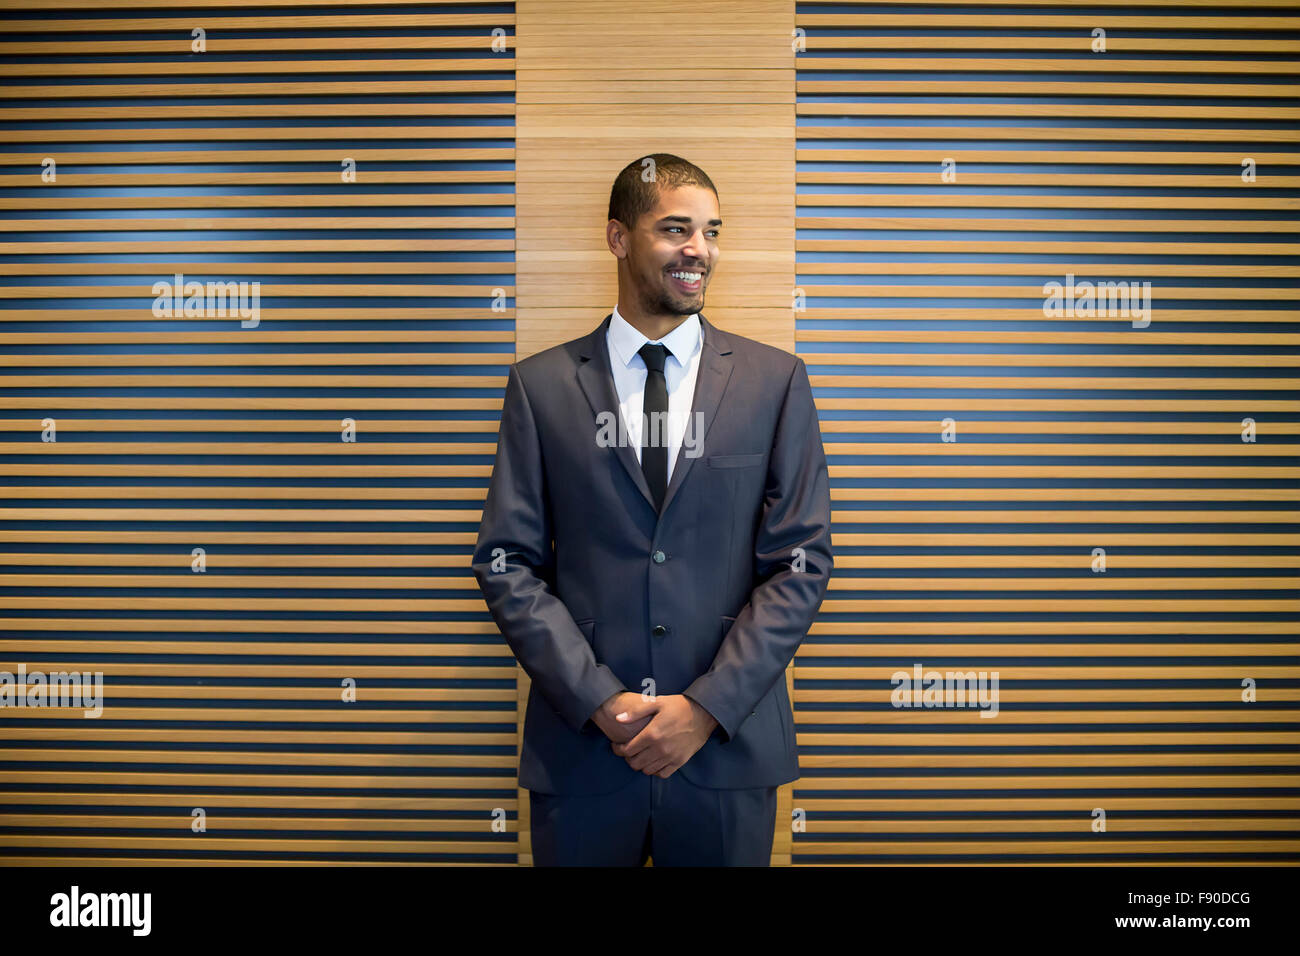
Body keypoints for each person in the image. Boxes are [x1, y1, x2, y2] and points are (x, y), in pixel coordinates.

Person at [471, 153, 833, 866]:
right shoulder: (540, 387)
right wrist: (602, 701)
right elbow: (506, 562)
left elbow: (801, 562)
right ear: (617, 238)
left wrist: (705, 708)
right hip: (583, 753)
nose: (699, 249)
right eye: (674, 229)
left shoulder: (776, 382)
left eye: (710, 231)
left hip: (727, 754)